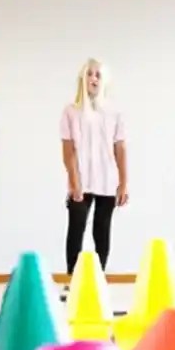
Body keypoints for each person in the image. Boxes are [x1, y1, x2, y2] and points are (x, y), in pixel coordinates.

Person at [60, 57, 127, 297]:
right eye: (89, 74)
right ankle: (72, 279)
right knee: (76, 228)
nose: (94, 79)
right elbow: (68, 151)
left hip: (107, 180)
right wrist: (75, 182)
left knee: (102, 229)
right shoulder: (71, 112)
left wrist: (123, 183)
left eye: (98, 74)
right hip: (80, 181)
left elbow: (120, 148)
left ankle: (99, 278)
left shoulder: (114, 112)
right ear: (82, 78)